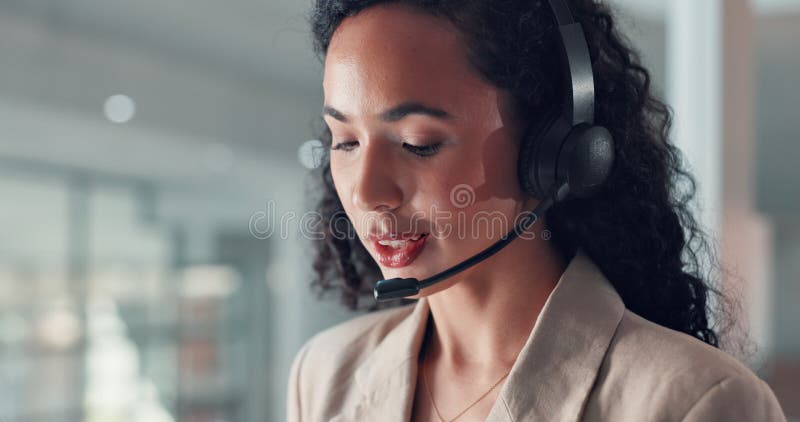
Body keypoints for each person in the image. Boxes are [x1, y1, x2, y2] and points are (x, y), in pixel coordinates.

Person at [287, 0, 787, 421]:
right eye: (346, 141)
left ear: (554, 151)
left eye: (418, 143)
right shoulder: (326, 375)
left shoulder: (695, 402)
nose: (369, 191)